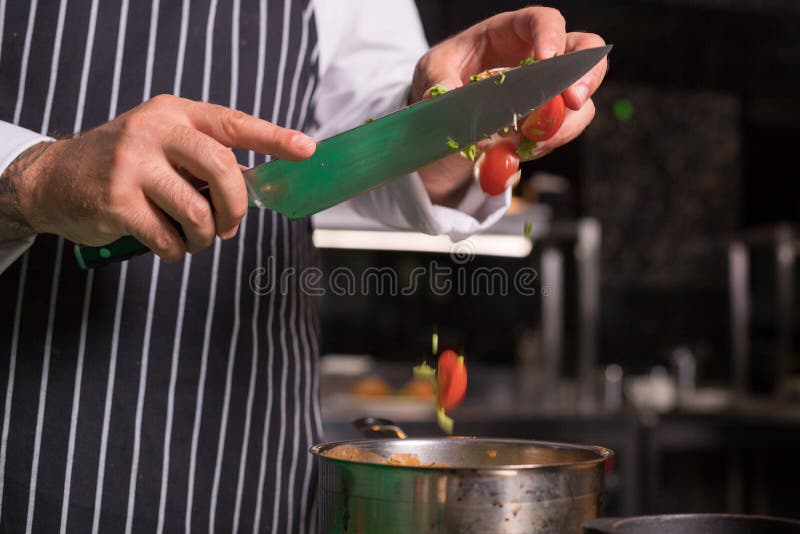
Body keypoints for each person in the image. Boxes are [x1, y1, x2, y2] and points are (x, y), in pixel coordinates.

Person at [0, 0, 606, 532]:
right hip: (23, 452)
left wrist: (445, 123)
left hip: (252, 462)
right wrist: (31, 179)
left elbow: (364, 126)